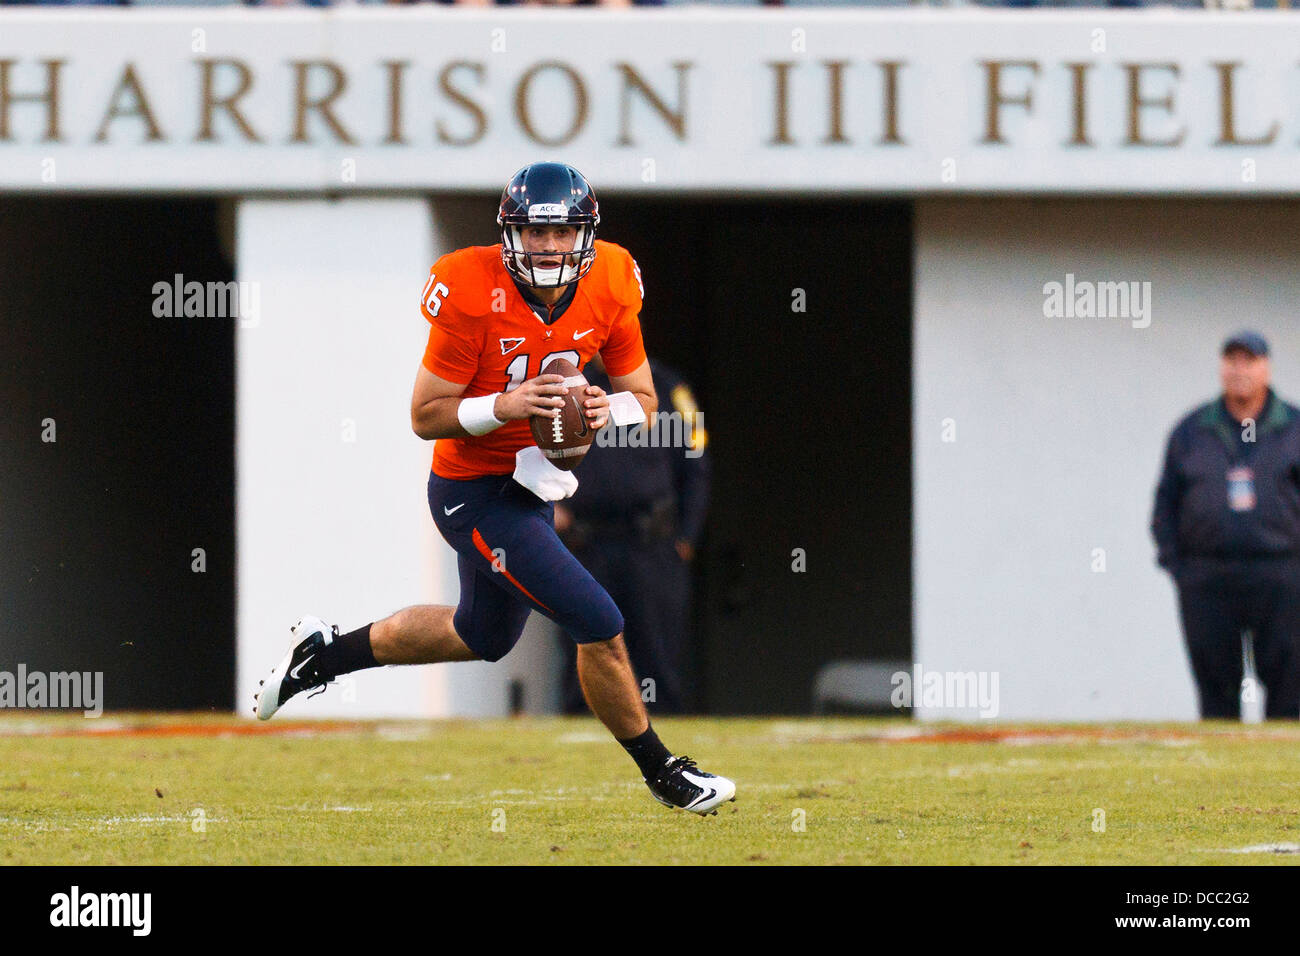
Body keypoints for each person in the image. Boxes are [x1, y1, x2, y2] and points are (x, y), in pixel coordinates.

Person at [252, 162, 734, 815]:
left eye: (562, 232)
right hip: (472, 490)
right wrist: (505, 406)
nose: (548, 246)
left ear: (584, 235)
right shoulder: (469, 286)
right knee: (599, 622)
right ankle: (665, 773)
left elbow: (644, 401)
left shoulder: (614, 279)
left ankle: (322, 655)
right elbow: (424, 416)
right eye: (533, 233)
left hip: (533, 490)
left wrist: (603, 409)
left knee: (480, 636)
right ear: (509, 235)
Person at [1152, 330, 1300, 720]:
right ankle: (1218, 773)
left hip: (1282, 575)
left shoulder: (1294, 429)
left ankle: (1283, 773)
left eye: (1249, 360)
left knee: (1290, 683)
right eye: (1231, 360)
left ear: (1266, 368)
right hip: (1207, 576)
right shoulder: (1192, 431)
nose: (1240, 370)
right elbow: (1165, 503)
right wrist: (1179, 567)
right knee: (1215, 684)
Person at [554, 353, 710, 714]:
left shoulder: (670, 388)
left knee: (656, 659)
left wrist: (685, 538)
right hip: (585, 547)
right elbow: (537, 449)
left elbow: (697, 465)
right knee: (584, 657)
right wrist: (549, 506)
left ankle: (665, 756)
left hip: (652, 549)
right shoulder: (571, 387)